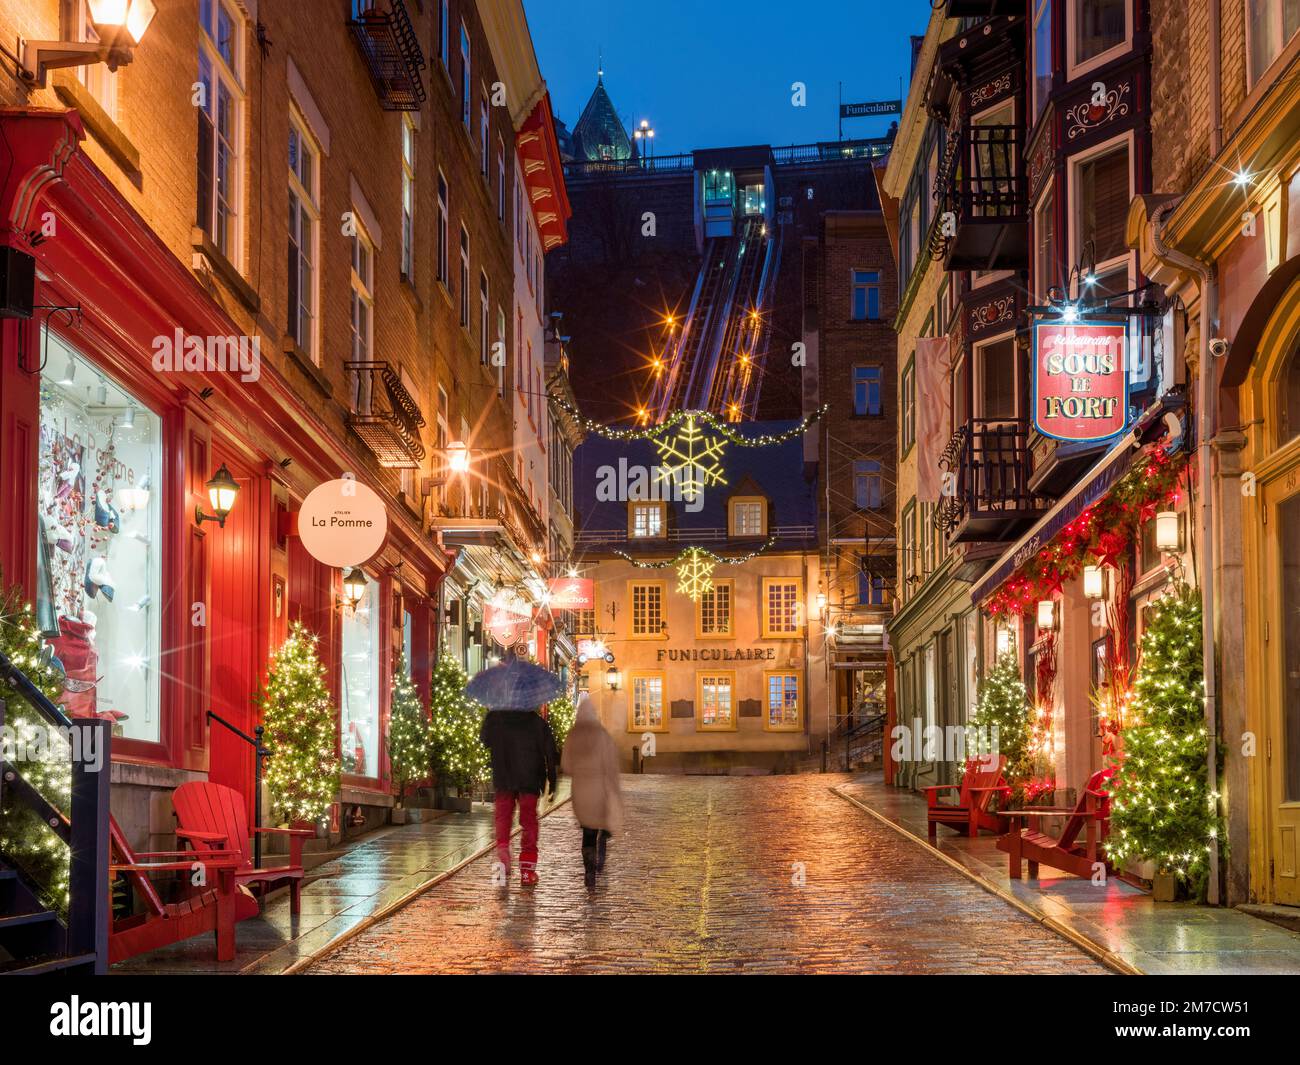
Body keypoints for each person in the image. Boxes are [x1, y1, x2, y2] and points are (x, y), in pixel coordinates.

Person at [480, 705, 558, 886]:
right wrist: (552, 781)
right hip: (529, 779)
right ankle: (526, 873)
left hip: (503, 778)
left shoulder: (495, 718)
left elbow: (484, 740)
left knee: (502, 819)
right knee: (529, 822)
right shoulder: (537, 722)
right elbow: (550, 754)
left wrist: (491, 716)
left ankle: (501, 862)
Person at [560, 693, 624, 888]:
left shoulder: (572, 735)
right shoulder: (602, 734)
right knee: (600, 826)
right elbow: (611, 766)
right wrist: (615, 791)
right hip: (599, 788)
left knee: (587, 832)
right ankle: (600, 858)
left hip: (580, 790)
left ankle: (589, 869)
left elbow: (566, 766)